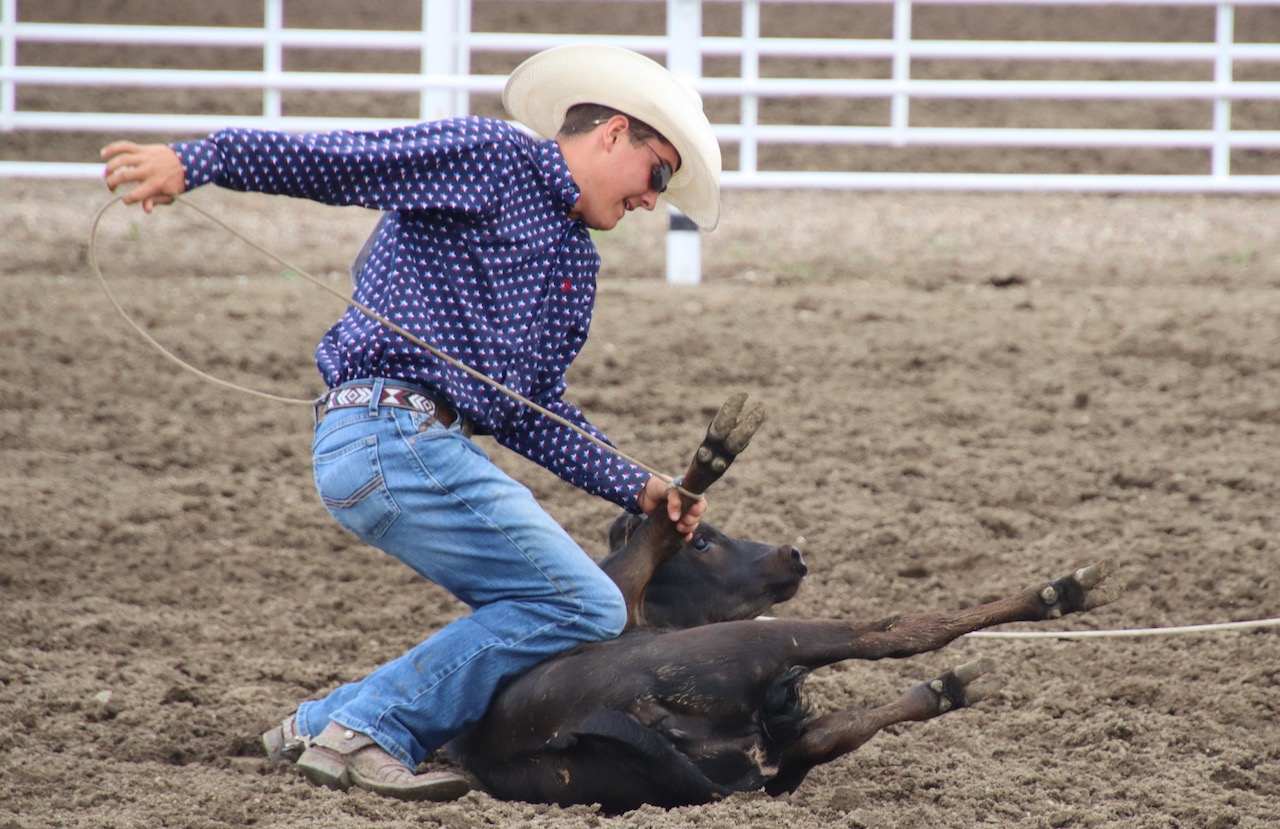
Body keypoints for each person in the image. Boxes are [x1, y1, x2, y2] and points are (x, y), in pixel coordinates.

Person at [101, 44, 722, 801]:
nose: (654, 199)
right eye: (658, 172)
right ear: (613, 133)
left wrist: (639, 485)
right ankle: (368, 728)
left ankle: (322, 721)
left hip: (398, 446)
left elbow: (534, 408)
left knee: (556, 600)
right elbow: (344, 160)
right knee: (581, 603)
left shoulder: (573, 262)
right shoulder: (492, 158)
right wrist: (198, 160)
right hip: (390, 436)